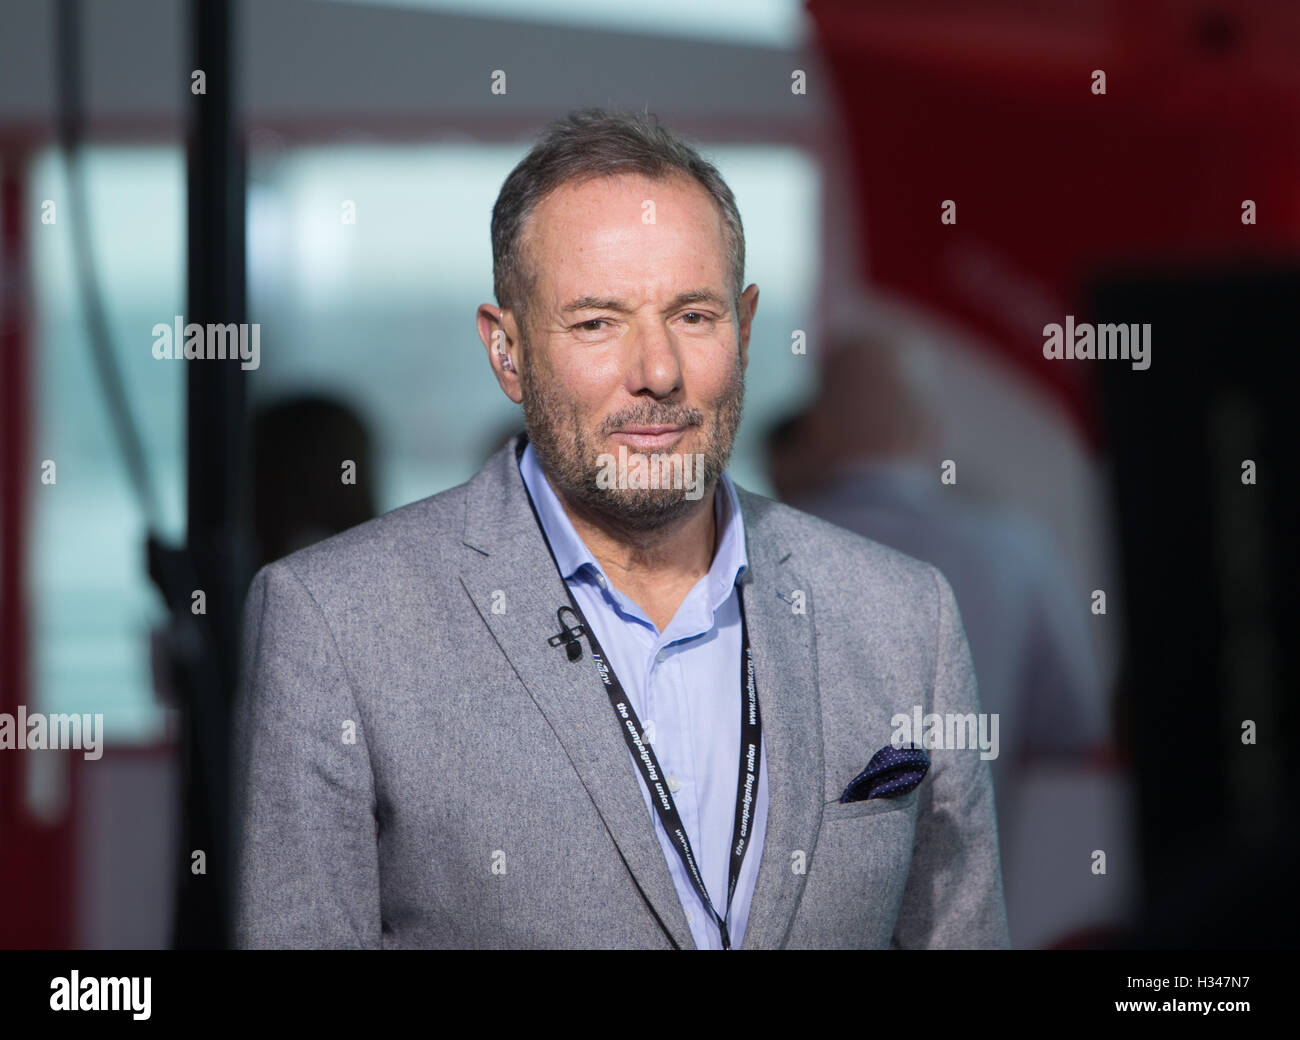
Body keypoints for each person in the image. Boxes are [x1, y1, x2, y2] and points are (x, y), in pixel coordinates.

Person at [232, 108, 1008, 949]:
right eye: (598, 322)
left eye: (694, 316)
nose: (658, 372)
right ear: (508, 352)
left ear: (745, 331)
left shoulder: (902, 617)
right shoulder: (337, 624)